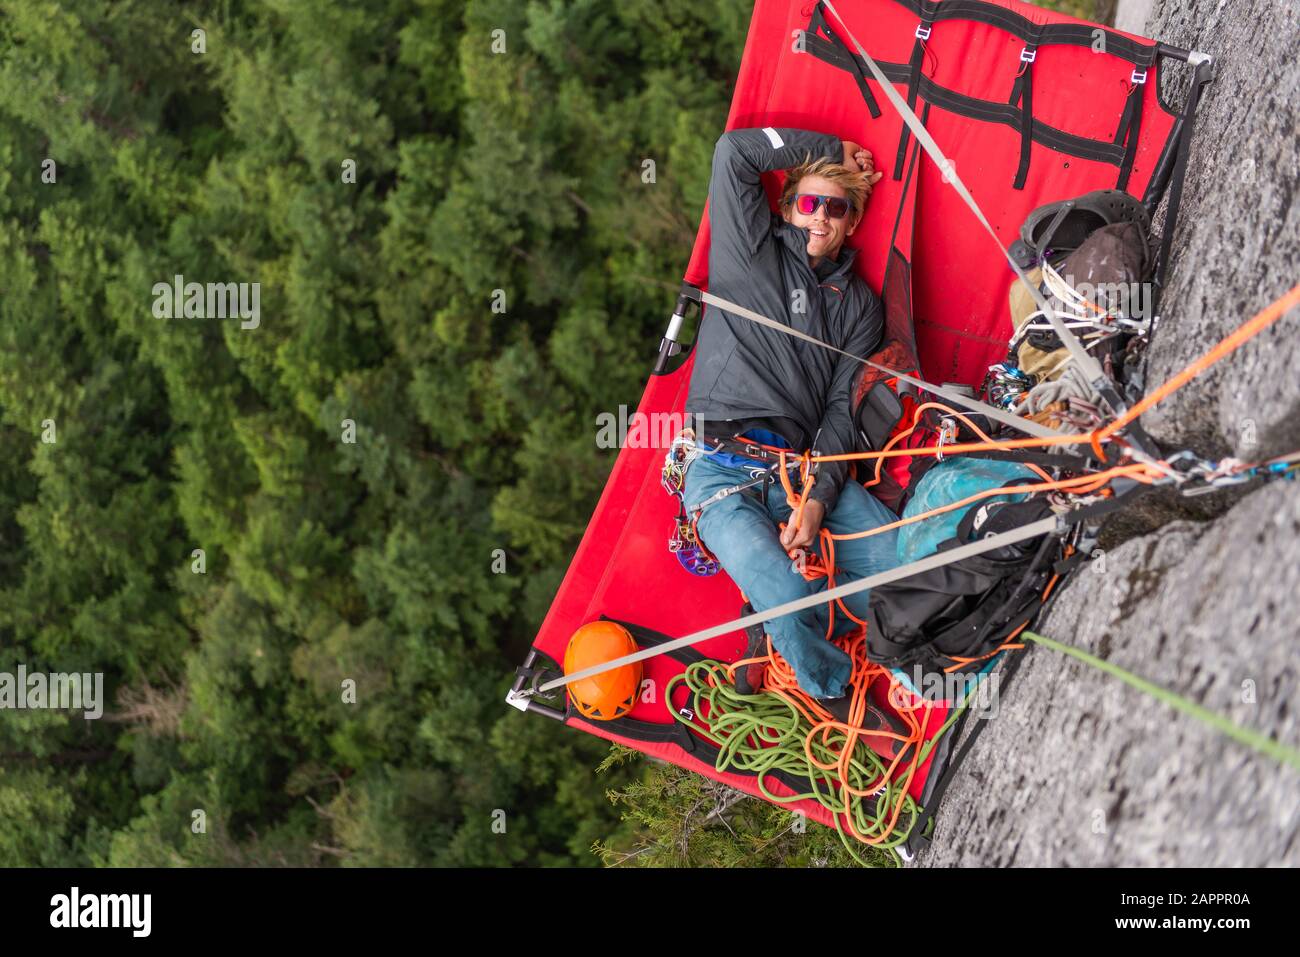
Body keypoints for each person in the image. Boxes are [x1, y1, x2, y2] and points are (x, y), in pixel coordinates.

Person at [683, 127, 901, 709]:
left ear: (853, 223)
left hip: (798, 471)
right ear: (787, 208)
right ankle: (834, 695)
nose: (822, 218)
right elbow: (734, 152)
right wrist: (830, 152)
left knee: (898, 561)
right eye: (810, 202)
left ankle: (785, 621)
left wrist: (817, 502)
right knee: (786, 590)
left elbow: (839, 413)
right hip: (719, 471)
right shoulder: (749, 251)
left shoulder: (859, 306)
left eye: (838, 208)